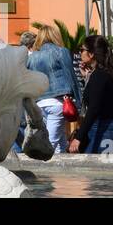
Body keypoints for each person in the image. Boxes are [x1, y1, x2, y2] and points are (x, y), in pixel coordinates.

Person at [26, 23, 81, 153]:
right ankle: (46, 172)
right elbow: (71, 76)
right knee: (51, 143)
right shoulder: (61, 52)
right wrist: (78, 102)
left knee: (61, 141)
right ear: (55, 36)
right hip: (57, 103)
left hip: (39, 103)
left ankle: (63, 172)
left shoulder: (32, 57)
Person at [70, 34, 113, 155]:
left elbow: (94, 108)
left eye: (82, 50)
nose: (80, 53)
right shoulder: (111, 72)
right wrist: (88, 77)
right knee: (102, 172)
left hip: (105, 131)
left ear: (91, 54)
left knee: (99, 172)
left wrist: (78, 137)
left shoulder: (99, 75)